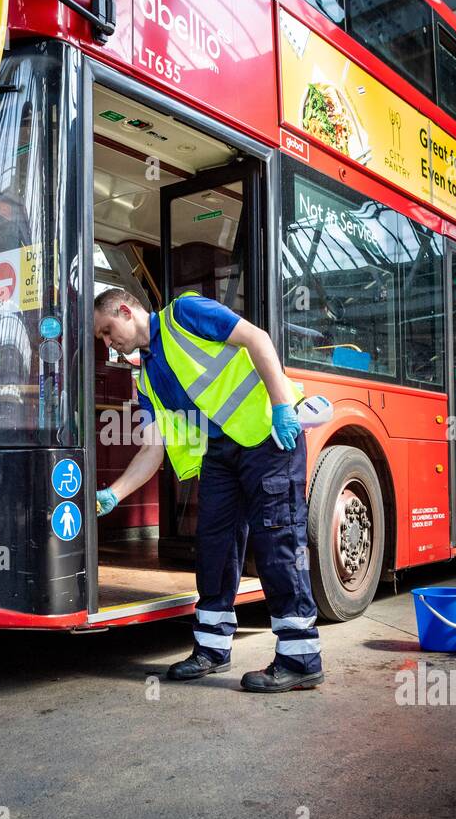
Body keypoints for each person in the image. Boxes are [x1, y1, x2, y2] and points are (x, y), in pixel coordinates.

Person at [93, 288, 323, 692]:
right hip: (220, 453)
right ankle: (212, 648)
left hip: (269, 437)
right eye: (104, 340)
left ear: (126, 311)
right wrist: (114, 493)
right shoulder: (146, 379)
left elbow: (257, 339)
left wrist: (283, 405)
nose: (109, 344)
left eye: (108, 331)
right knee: (214, 548)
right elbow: (153, 447)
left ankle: (300, 657)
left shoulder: (184, 313)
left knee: (279, 542)